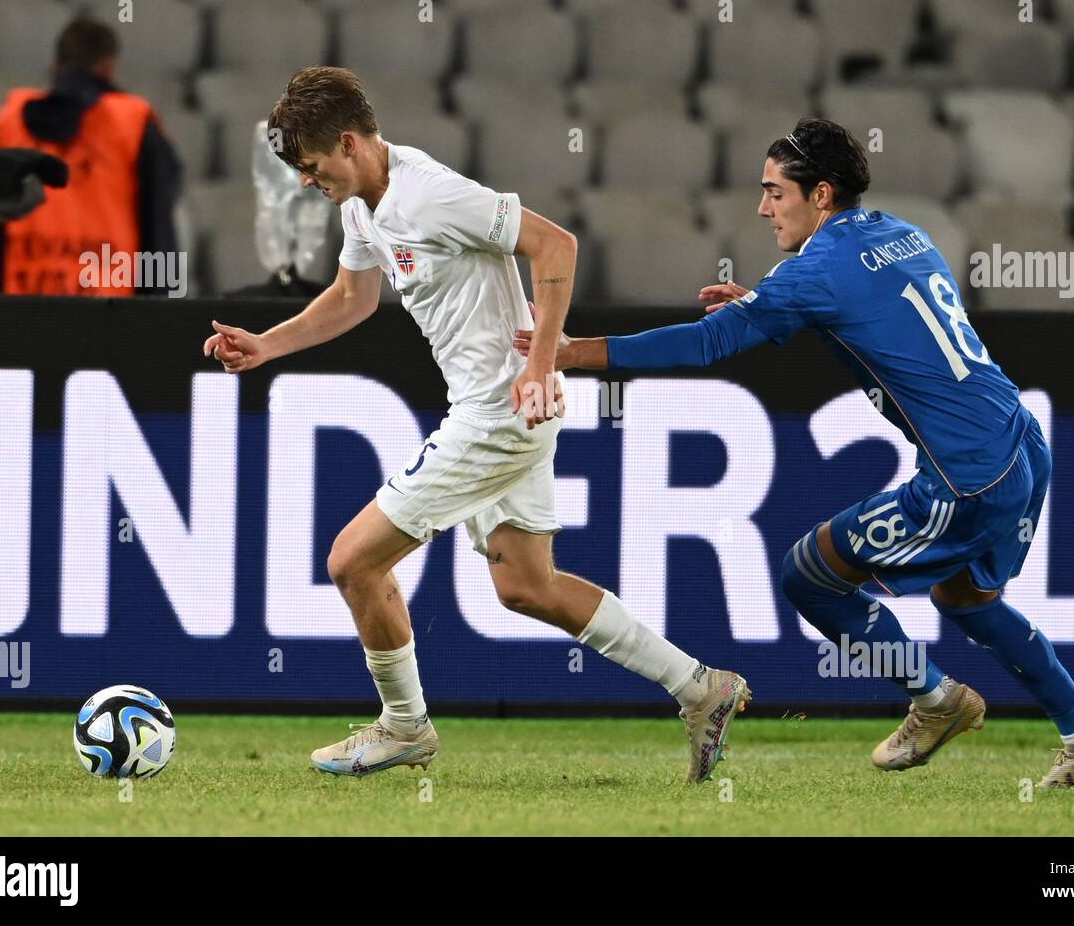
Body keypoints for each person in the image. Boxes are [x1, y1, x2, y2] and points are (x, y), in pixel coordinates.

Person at [514, 117, 1074, 788]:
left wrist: (575, 353)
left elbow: (705, 345)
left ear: (822, 195)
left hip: (965, 477)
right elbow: (879, 314)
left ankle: (935, 700)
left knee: (809, 575)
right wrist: (766, 303)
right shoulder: (903, 231)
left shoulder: (812, 273)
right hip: (1019, 440)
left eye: (775, 191)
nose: (761, 206)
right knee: (968, 600)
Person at [202, 66, 748, 783]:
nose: (307, 182)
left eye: (311, 166)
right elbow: (352, 297)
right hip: (498, 408)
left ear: (347, 143)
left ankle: (404, 726)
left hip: (501, 413)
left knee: (351, 561)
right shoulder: (363, 206)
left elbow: (557, 247)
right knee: (527, 586)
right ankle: (700, 687)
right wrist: (268, 345)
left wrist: (538, 364)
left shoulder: (432, 195)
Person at [0, 18, 181, 295]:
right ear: (108, 68)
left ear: (55, 66)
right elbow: (159, 227)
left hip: (23, 308)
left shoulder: (9, 121)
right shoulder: (132, 123)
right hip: (108, 313)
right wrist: (162, 313)